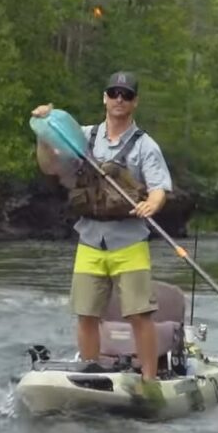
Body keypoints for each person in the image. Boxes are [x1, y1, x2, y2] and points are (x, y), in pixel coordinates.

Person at [31, 71, 172, 393]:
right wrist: (42, 132)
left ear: (135, 102)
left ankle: (150, 382)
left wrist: (151, 204)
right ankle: (90, 376)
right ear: (105, 98)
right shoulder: (82, 137)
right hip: (90, 239)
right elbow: (49, 166)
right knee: (86, 314)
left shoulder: (145, 145)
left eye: (126, 94)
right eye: (114, 93)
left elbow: (159, 188)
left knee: (139, 315)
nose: (119, 99)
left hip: (130, 240)